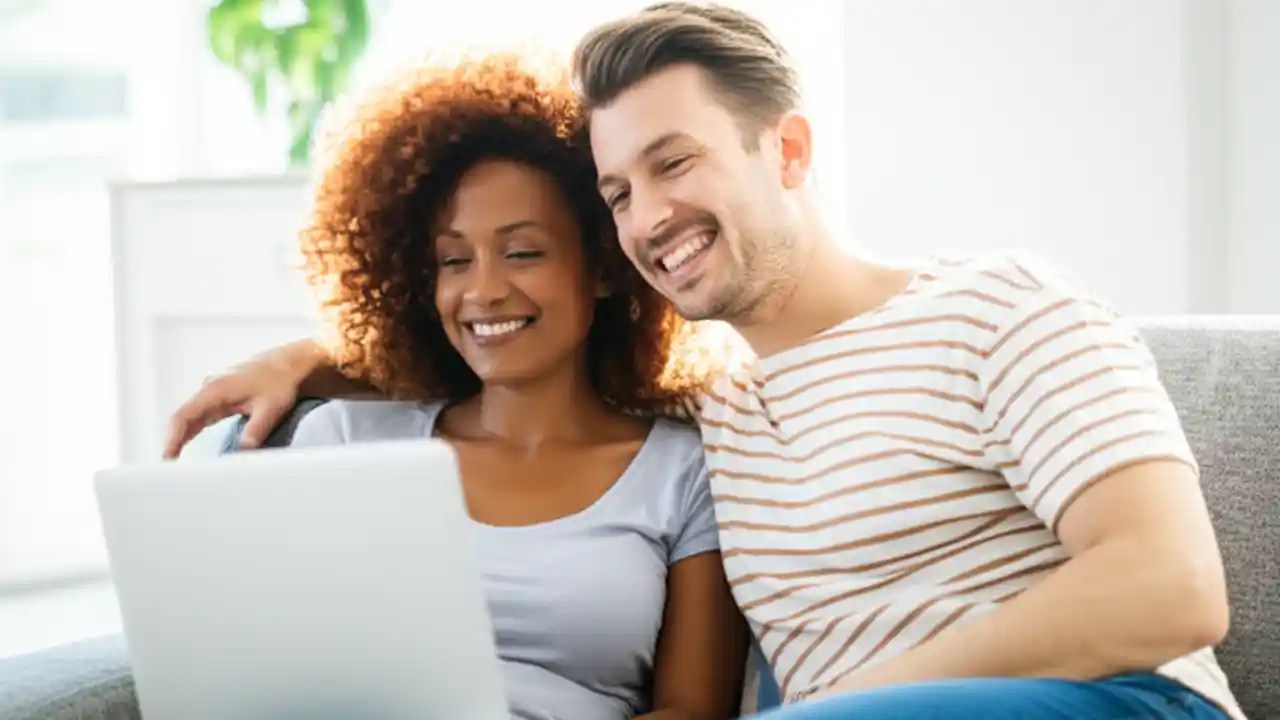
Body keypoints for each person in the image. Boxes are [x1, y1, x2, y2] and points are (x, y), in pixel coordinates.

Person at [165, 4, 1245, 719]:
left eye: (672, 162)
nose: (648, 216)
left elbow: (1169, 587)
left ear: (785, 150)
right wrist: (314, 360)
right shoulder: (710, 416)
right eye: (618, 192)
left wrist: (825, 710)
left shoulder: (996, 304)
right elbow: (513, 360)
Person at [210, 53, 748, 720]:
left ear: (604, 267)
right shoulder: (343, 439)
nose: (484, 291)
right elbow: (260, 662)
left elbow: (694, 711)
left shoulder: (684, 472)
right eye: (454, 260)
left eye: (523, 251)